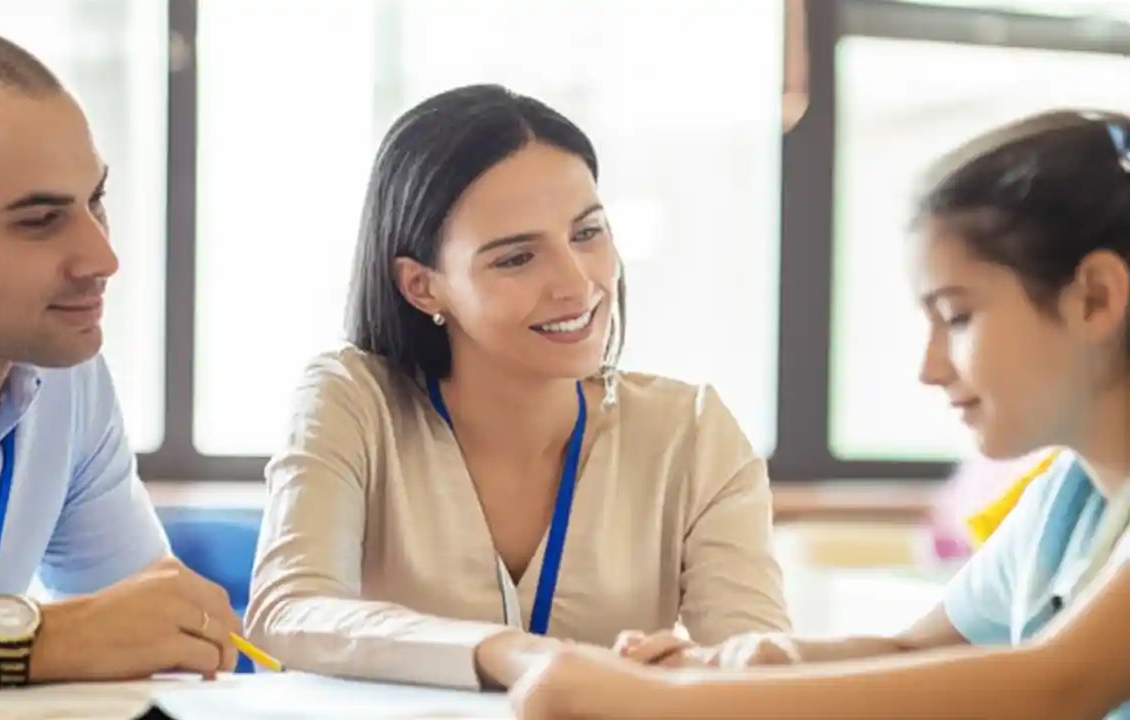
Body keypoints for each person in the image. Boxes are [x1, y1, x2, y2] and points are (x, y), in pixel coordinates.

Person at [509, 109, 1130, 719]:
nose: (929, 368)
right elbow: (910, 652)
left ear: (1096, 299)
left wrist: (663, 703)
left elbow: (1058, 687)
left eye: (958, 316)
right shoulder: (1067, 499)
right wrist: (740, 664)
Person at [245, 84, 789, 691]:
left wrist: (702, 668)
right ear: (423, 286)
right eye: (516, 259)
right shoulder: (351, 400)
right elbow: (286, 614)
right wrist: (509, 654)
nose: (576, 285)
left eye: (587, 233)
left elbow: (761, 671)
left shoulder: (691, 431)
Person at [0, 21, 241, 695]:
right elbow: (97, 631)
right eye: (39, 220)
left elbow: (148, 629)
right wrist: (49, 637)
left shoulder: (67, 377)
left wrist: (154, 630)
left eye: (96, 202)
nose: (104, 259)